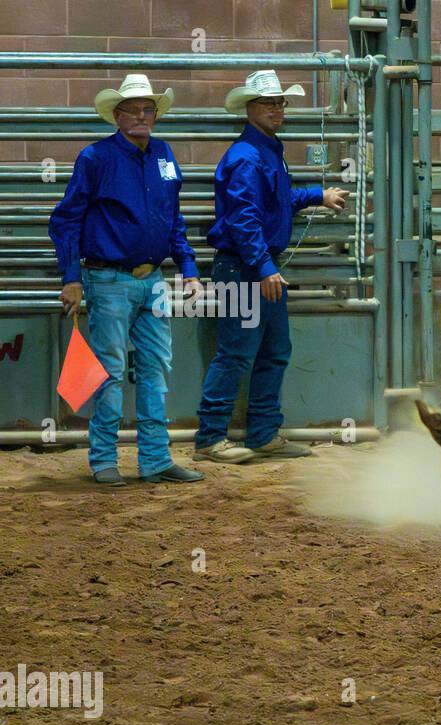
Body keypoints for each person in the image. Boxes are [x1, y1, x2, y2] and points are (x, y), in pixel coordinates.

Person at [48, 74, 205, 487]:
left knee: (154, 369)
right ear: (117, 116)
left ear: (155, 114)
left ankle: (154, 460)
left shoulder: (163, 155)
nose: (140, 115)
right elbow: (67, 219)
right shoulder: (96, 159)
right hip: (108, 278)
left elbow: (174, 219)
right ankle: (104, 459)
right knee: (112, 371)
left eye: (147, 109)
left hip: (151, 278)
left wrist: (188, 267)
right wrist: (71, 277)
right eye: (132, 110)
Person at [194, 71, 348, 464]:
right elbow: (243, 218)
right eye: (269, 103)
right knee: (237, 353)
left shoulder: (263, 151)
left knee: (270, 349)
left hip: (254, 267)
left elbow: (274, 201)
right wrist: (263, 265)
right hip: (246, 267)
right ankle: (211, 437)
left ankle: (260, 432)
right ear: (250, 108)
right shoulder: (248, 157)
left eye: (280, 102)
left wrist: (317, 195)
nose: (278, 109)